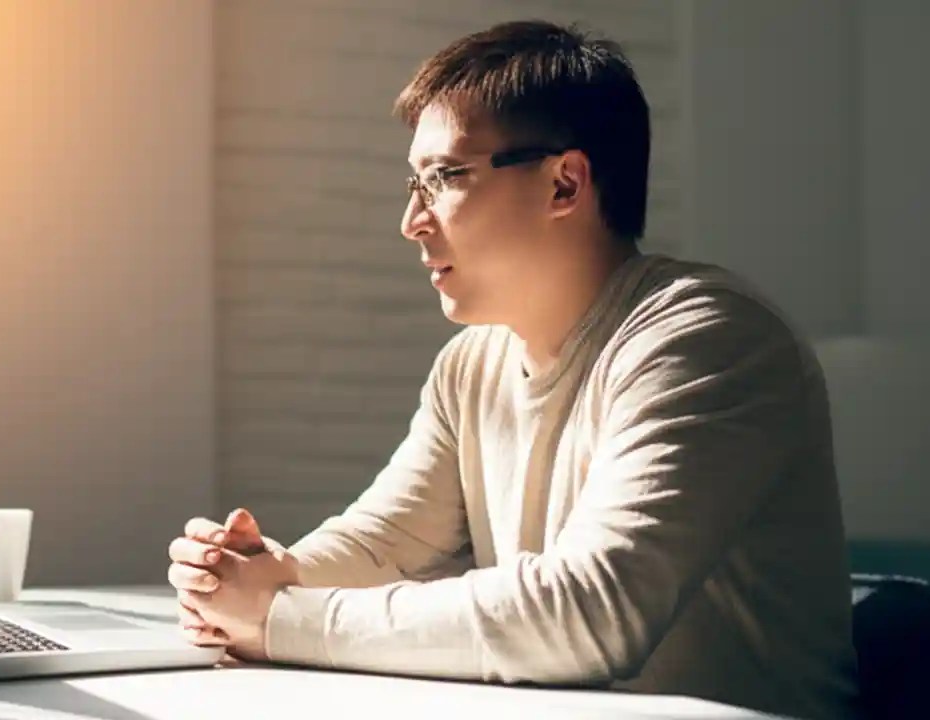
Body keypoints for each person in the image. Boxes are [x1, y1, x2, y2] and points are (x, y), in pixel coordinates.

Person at [167, 19, 858, 720]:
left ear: (564, 184)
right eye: (415, 182)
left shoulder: (706, 339)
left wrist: (280, 620)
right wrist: (255, 578)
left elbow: (590, 614)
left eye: (444, 177)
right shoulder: (471, 365)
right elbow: (389, 542)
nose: (412, 219)